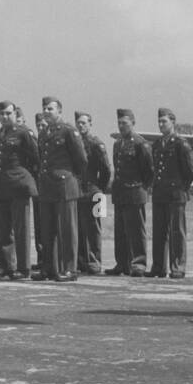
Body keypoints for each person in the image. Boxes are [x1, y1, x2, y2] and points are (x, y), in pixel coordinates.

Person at [34, 97, 87, 282]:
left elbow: (81, 159)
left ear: (59, 111)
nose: (47, 111)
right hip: (47, 185)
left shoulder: (69, 131)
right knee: (47, 230)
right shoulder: (44, 132)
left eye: (50, 108)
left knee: (67, 229)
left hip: (65, 185)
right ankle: (49, 268)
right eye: (44, 109)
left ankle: (70, 269)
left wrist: (72, 177)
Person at [0, 100, 39, 279]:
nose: (5, 117)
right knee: (2, 230)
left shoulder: (24, 133)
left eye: (8, 113)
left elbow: (35, 158)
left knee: (21, 229)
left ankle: (23, 268)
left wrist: (27, 177)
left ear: (15, 114)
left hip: (19, 184)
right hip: (2, 185)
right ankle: (5, 266)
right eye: (2, 114)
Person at [149, 108, 193, 278]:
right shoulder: (157, 144)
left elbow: (190, 171)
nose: (161, 125)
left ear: (173, 122)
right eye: (159, 122)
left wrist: (182, 187)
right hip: (160, 193)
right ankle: (158, 267)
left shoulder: (180, 143)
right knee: (159, 232)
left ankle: (178, 267)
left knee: (177, 232)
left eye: (164, 121)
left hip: (176, 194)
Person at [107, 109, 153, 276]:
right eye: (119, 123)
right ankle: (122, 264)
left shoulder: (141, 143)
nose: (121, 126)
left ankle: (138, 263)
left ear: (133, 123)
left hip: (135, 191)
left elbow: (148, 170)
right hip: (120, 193)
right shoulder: (118, 143)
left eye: (124, 123)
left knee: (136, 231)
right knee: (120, 231)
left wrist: (142, 188)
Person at [74, 111, 112, 275]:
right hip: (78, 191)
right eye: (78, 123)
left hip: (94, 191)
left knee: (93, 228)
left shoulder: (96, 143)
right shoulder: (75, 142)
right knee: (79, 228)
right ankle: (82, 261)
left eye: (84, 123)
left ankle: (94, 262)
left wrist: (99, 188)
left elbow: (105, 169)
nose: (80, 126)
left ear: (90, 124)